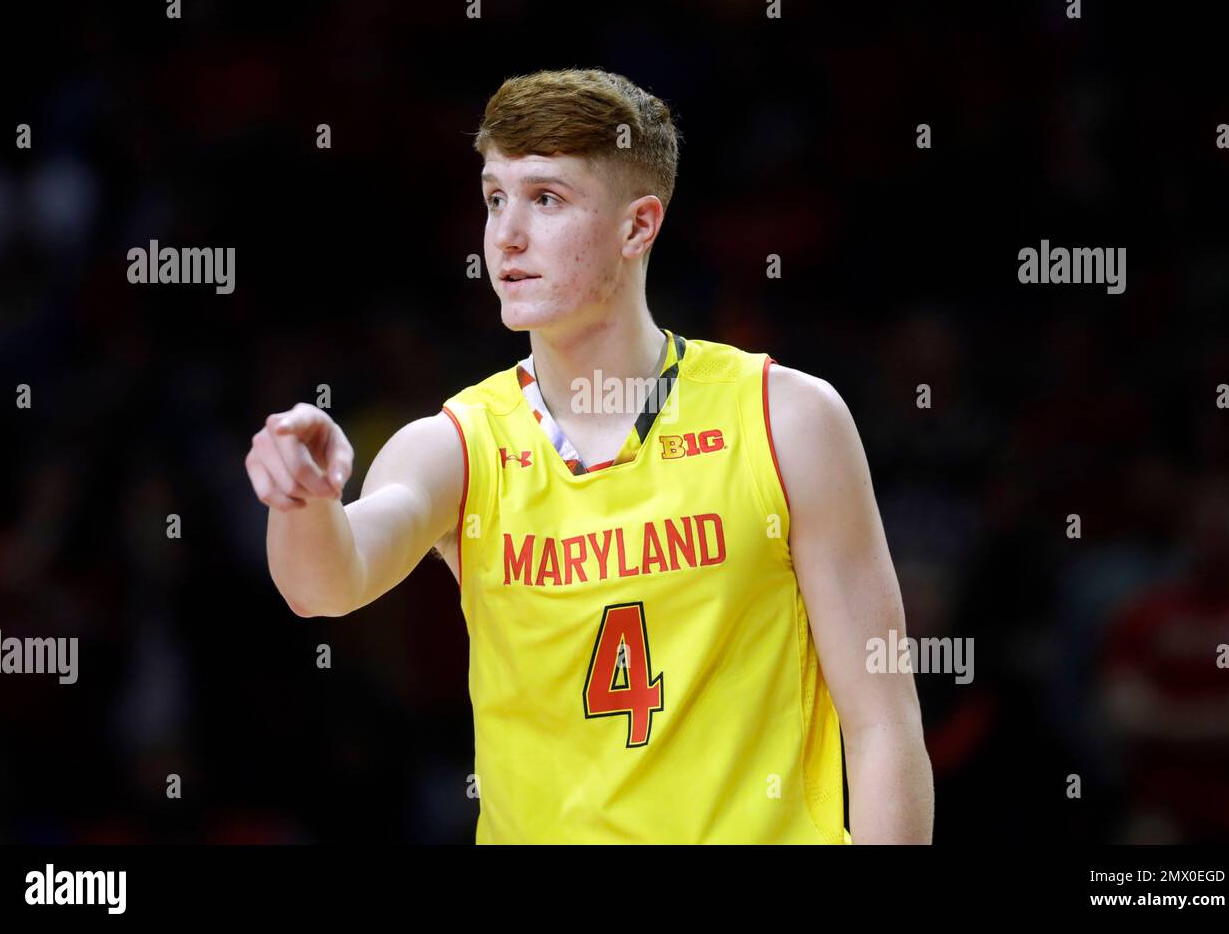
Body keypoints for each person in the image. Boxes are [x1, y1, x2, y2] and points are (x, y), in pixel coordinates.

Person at [244, 68, 933, 843]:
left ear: (638, 226)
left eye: (546, 199)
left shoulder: (786, 420)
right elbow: (325, 585)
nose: (506, 234)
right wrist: (301, 498)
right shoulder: (457, 445)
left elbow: (883, 729)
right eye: (495, 197)